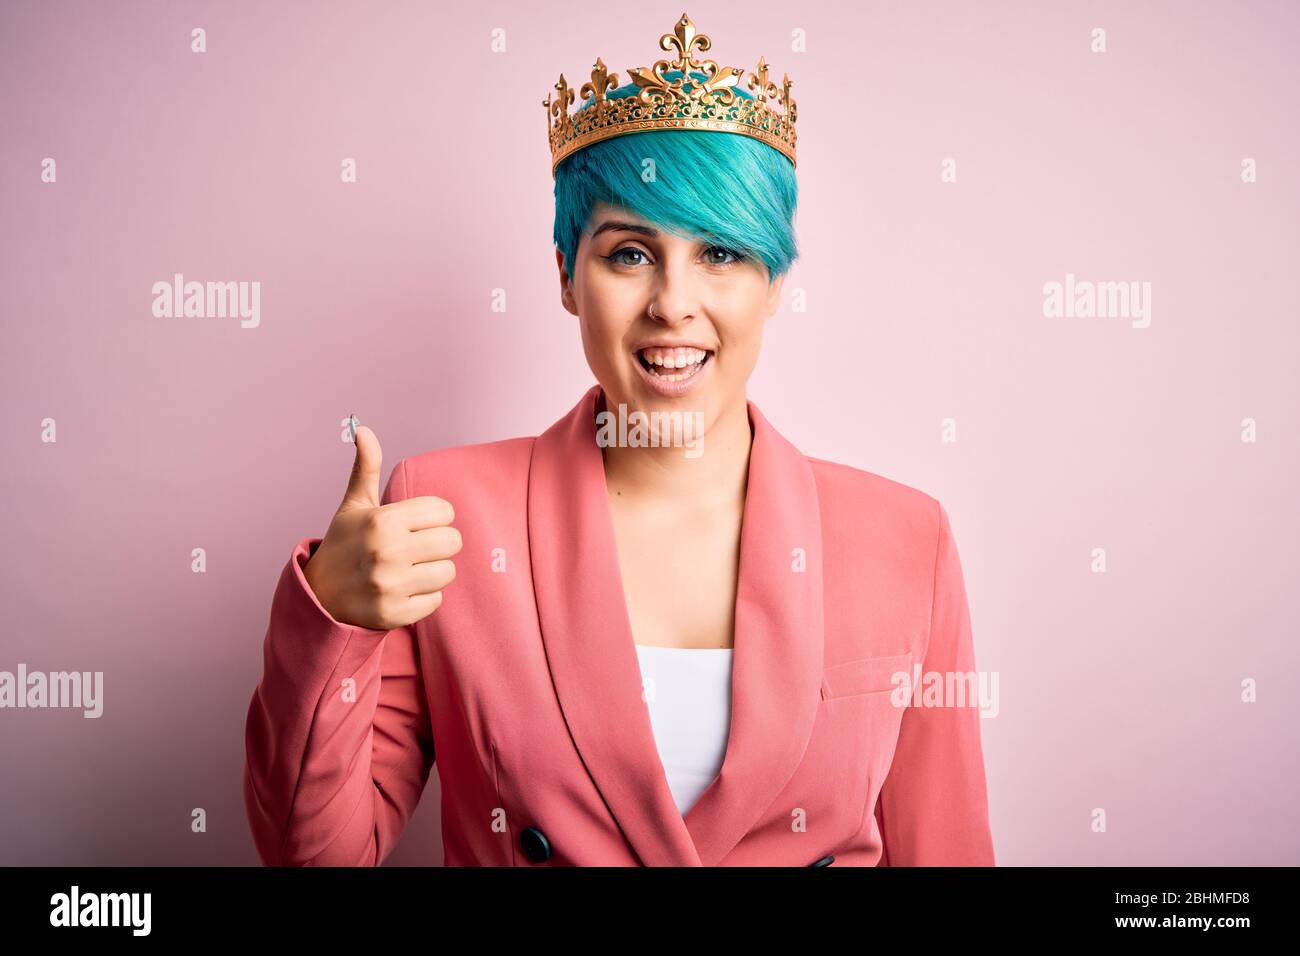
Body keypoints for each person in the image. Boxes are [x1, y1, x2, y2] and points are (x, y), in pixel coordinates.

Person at [243, 12, 995, 867]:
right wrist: (331, 619)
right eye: (630, 254)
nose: (674, 303)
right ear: (567, 274)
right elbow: (314, 859)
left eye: (720, 253)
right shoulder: (443, 517)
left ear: (775, 281)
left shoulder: (906, 538)